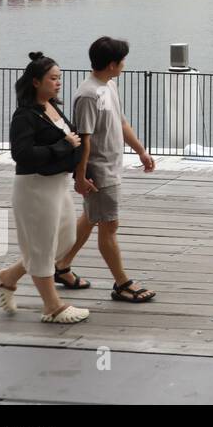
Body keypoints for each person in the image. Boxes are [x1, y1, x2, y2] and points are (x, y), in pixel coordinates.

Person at [56, 36, 159, 303]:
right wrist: (81, 176)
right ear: (112, 64)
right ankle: (122, 283)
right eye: (122, 61)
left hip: (112, 166)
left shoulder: (108, 86)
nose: (124, 65)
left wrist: (141, 151)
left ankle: (61, 265)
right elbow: (84, 138)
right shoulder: (89, 94)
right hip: (101, 171)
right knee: (109, 225)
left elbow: (121, 122)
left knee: (91, 218)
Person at [0, 53, 90, 324]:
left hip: (59, 186)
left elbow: (73, 140)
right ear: (36, 82)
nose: (59, 83)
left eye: (60, 78)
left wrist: (83, 170)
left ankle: (8, 277)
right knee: (43, 247)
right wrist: (64, 146)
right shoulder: (25, 115)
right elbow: (21, 154)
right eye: (53, 78)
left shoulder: (53, 108)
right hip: (36, 188)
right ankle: (52, 306)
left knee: (64, 240)